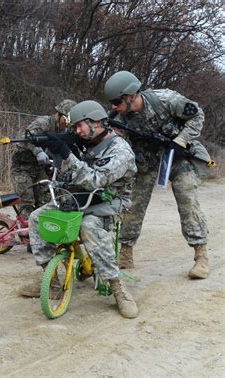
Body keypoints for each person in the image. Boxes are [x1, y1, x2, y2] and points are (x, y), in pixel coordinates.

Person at [18, 100, 139, 319]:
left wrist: (66, 153)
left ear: (97, 121)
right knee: (37, 218)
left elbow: (95, 180)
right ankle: (51, 279)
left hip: (108, 201)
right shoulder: (86, 142)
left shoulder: (121, 150)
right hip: (80, 196)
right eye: (73, 128)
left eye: (79, 126)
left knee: (88, 225)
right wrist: (59, 153)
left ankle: (117, 287)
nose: (76, 131)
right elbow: (72, 176)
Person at [104, 71, 210, 278]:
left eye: (117, 102)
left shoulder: (166, 100)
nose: (113, 107)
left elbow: (197, 115)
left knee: (187, 197)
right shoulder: (117, 118)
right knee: (133, 205)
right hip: (146, 161)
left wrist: (181, 140)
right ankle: (125, 255)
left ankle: (201, 256)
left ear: (130, 96)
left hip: (176, 156)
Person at [11, 99, 77, 217]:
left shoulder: (63, 130)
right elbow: (23, 139)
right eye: (67, 120)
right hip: (23, 167)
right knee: (27, 202)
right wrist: (38, 152)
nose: (68, 124)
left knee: (46, 199)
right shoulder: (43, 122)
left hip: (40, 168)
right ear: (59, 114)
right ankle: (26, 233)